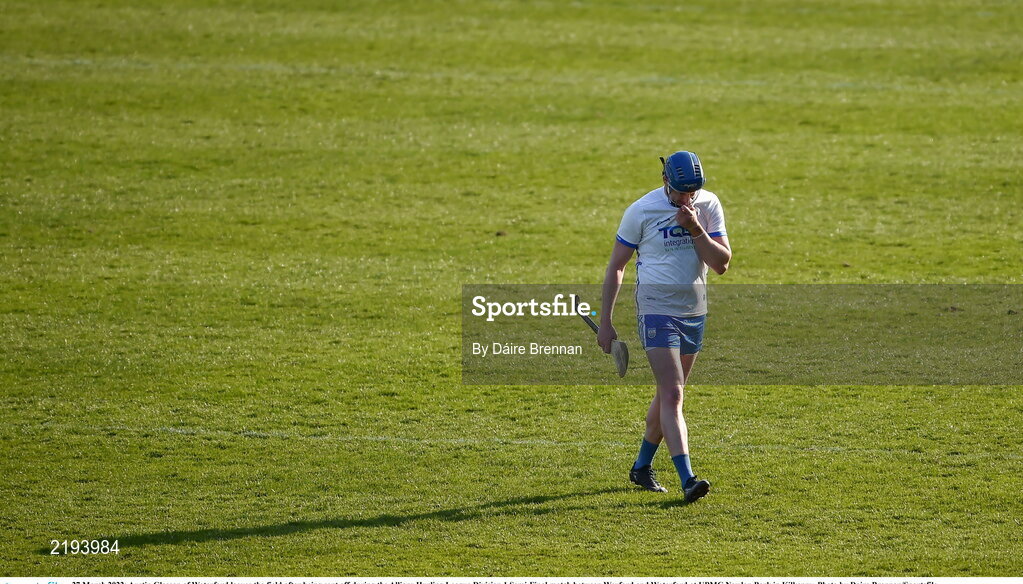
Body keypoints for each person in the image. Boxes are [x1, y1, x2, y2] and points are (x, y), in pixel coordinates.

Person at [597, 150, 731, 502]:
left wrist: (696, 227)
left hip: (694, 312)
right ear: (665, 182)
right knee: (673, 395)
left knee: (666, 395)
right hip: (656, 311)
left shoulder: (708, 205)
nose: (687, 199)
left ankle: (641, 467)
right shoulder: (641, 211)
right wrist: (606, 322)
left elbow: (721, 264)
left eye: (693, 193)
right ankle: (688, 479)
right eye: (680, 193)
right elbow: (616, 266)